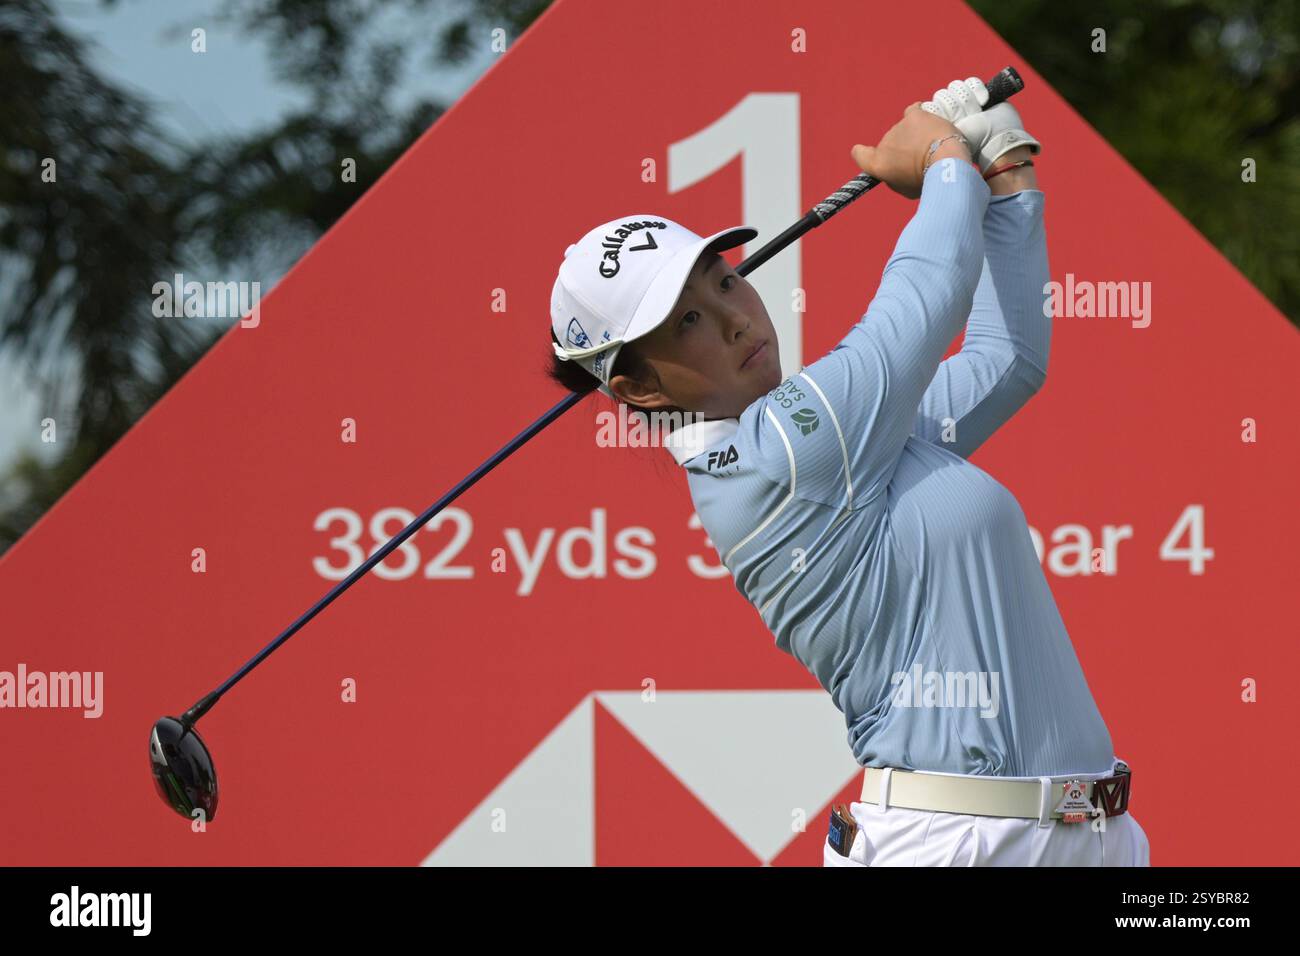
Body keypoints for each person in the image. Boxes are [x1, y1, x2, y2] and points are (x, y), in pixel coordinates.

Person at [547, 78, 1149, 867]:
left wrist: (1004, 176)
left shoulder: (846, 445)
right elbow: (925, 293)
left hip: (1086, 833)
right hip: (952, 847)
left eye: (724, 279)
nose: (734, 317)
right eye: (688, 321)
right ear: (637, 387)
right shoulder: (783, 453)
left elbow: (1008, 362)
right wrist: (940, 157)